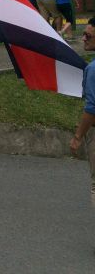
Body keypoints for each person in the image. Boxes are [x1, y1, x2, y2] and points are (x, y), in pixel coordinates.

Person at [70, 18, 95, 210]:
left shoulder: (93, 69)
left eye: (88, 35)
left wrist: (78, 136)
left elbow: (92, 108)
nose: (83, 38)